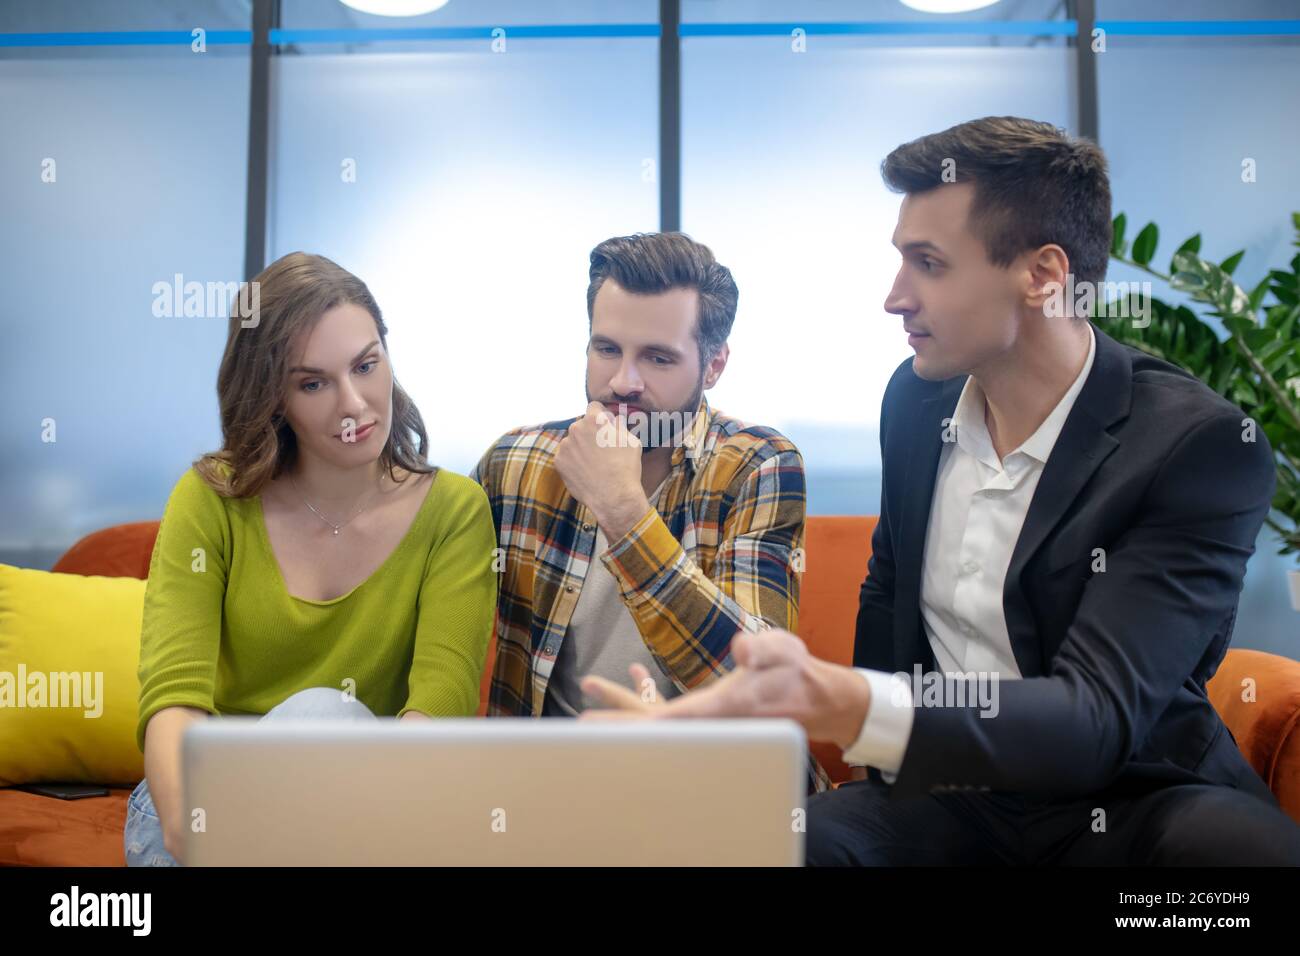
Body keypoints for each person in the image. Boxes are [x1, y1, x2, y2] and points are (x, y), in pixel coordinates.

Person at [582, 117, 1300, 865]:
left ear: (1042, 276)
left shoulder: (1195, 447)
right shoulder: (917, 401)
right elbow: (888, 591)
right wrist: (875, 770)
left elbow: (1095, 717)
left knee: (1237, 860)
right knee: (796, 843)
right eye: (902, 261)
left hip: (1133, 800)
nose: (896, 298)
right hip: (952, 801)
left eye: (928, 264)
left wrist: (846, 700)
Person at [127, 252, 497, 865]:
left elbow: (438, 715)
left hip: (366, 805)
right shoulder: (213, 498)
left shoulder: (455, 513)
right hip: (204, 801)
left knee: (327, 712)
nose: (354, 404)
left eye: (366, 365)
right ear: (273, 395)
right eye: (314, 383)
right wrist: (190, 829)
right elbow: (173, 704)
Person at [472, 231, 829, 792]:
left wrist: (623, 509)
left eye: (657, 358)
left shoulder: (757, 464)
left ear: (714, 365)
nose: (622, 383)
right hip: (548, 788)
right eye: (607, 348)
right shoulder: (515, 462)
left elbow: (757, 687)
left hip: (711, 786)